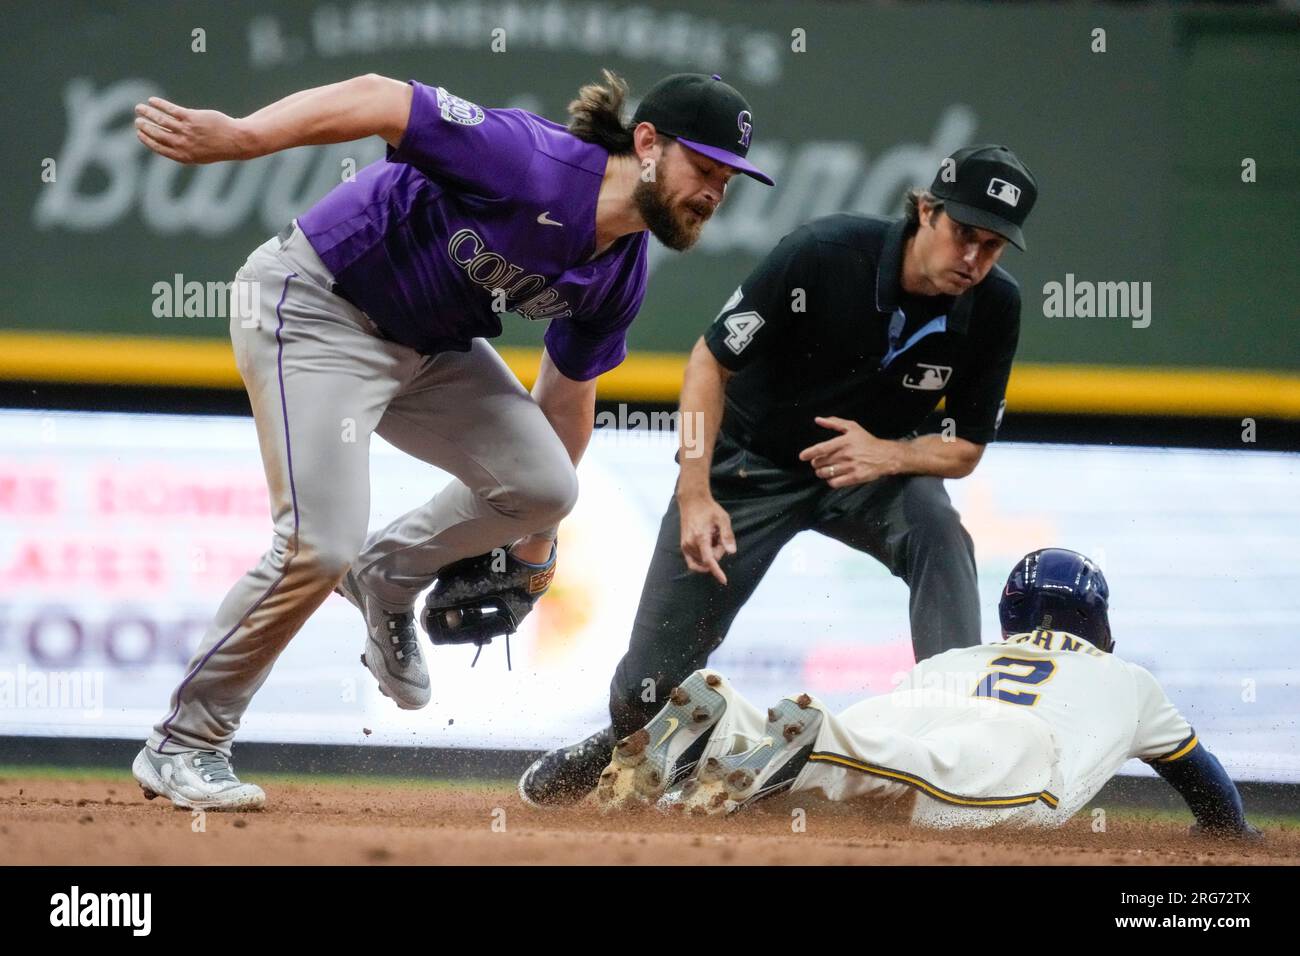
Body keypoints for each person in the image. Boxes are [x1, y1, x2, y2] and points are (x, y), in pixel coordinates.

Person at [128, 70, 773, 810]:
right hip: (313, 307)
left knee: (547, 488)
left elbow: (565, 401)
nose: (715, 193)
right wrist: (243, 137)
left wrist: (535, 546)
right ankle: (186, 742)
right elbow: (380, 97)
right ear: (648, 143)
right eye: (706, 168)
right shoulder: (530, 161)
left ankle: (387, 576)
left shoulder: (620, 272)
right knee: (316, 544)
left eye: (729, 181)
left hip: (429, 350)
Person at [521, 145, 1039, 807]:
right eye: (965, 234)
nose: (973, 259)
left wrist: (891, 455)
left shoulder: (995, 305)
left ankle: (959, 746)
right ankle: (626, 736)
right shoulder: (824, 255)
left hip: (871, 470)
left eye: (992, 246)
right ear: (925, 211)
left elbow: (965, 448)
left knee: (940, 534)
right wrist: (695, 491)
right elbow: (708, 363)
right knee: (644, 689)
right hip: (748, 467)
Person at [593, 549, 1261, 839]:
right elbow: (1204, 785)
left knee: (863, 776)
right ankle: (815, 742)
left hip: (905, 711)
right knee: (927, 783)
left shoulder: (961, 653)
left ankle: (727, 722)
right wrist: (1228, 835)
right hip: (1019, 744)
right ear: (1099, 623)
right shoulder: (1131, 682)